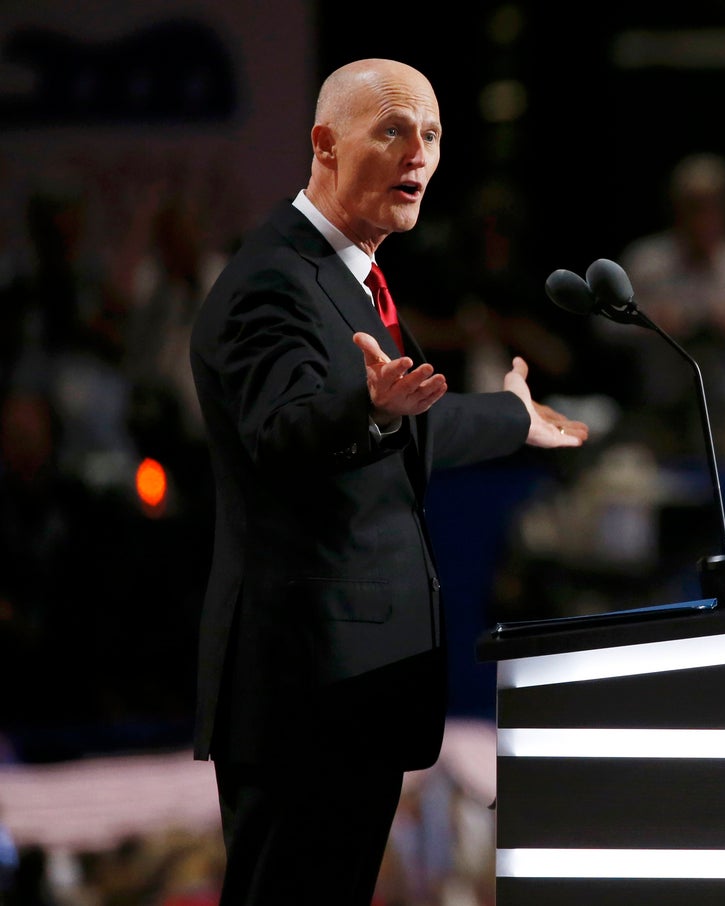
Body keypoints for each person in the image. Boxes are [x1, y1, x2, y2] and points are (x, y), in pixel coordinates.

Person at [188, 58, 587, 906]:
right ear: (325, 144)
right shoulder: (274, 279)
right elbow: (279, 432)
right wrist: (363, 407)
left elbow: (408, 422)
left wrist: (512, 418)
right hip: (304, 691)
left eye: (432, 135)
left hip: (351, 689)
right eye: (394, 130)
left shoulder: (348, 274)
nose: (419, 155)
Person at [601, 152, 725, 462]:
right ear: (675, 208)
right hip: (660, 414)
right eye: (693, 206)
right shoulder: (647, 262)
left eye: (713, 204)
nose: (703, 216)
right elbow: (603, 325)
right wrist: (651, 321)